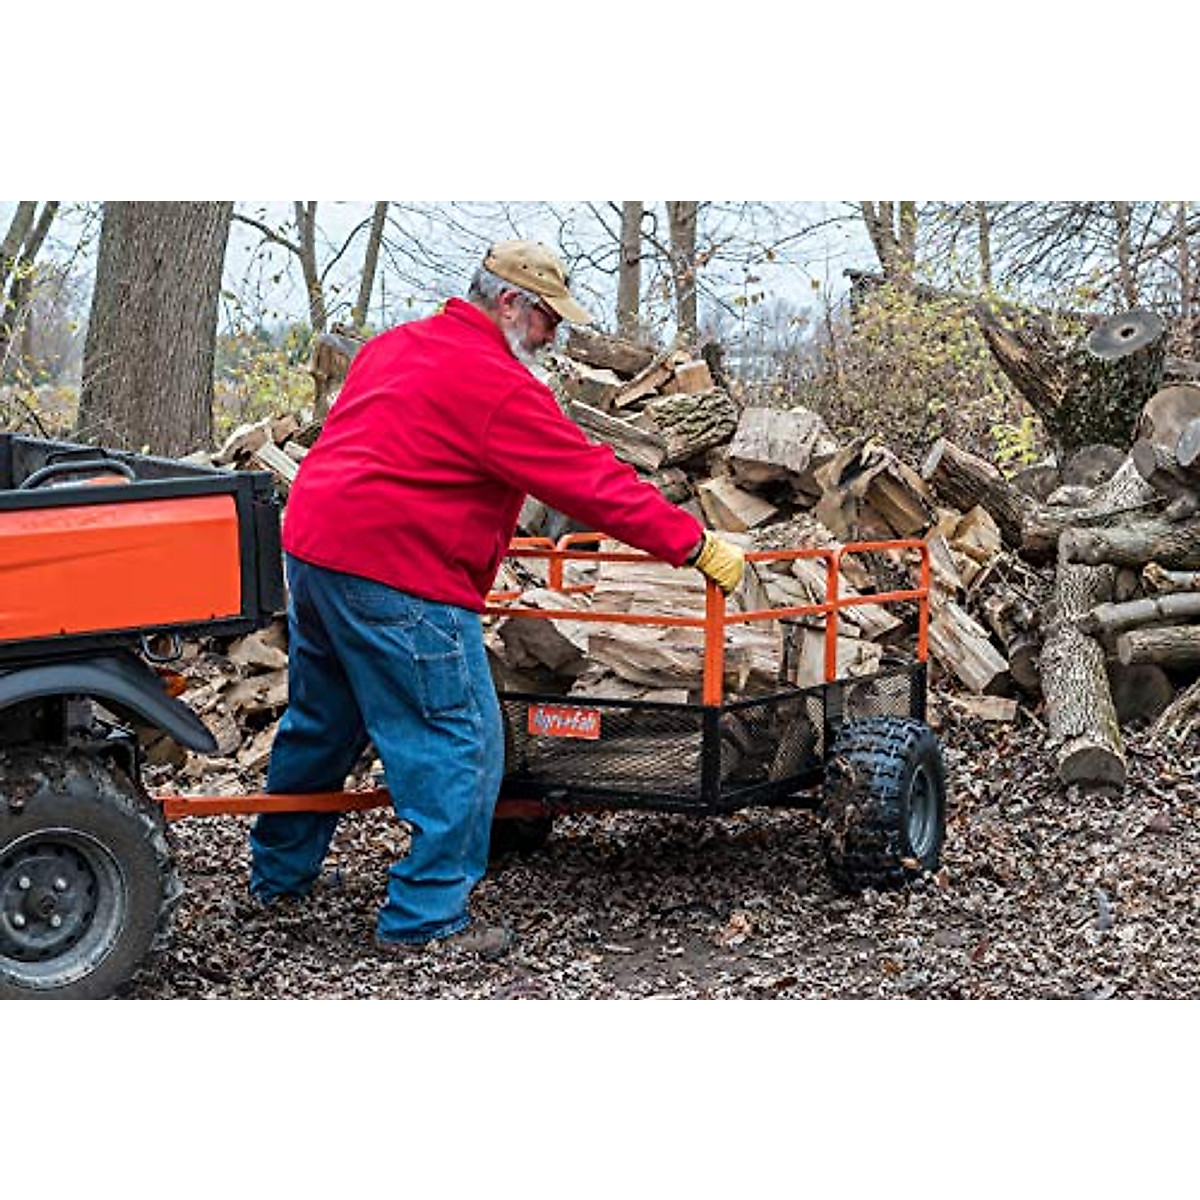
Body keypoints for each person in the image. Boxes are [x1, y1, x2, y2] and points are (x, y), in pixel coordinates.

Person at [248, 240, 745, 960]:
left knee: (321, 726)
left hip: (317, 556)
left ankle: (276, 880)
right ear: (509, 304)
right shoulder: (498, 385)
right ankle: (424, 919)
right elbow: (588, 482)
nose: (553, 336)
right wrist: (692, 544)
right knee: (461, 740)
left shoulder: (394, 346)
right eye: (547, 319)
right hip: (399, 573)